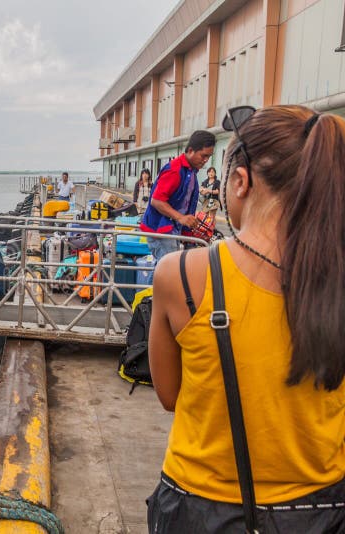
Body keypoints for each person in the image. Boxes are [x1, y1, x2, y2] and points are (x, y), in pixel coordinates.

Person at [147, 105, 345, 532]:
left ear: (240, 182)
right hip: (322, 511)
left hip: (201, 505)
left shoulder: (182, 274)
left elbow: (169, 395)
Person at [140, 130, 215, 272]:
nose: (206, 160)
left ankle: (151, 294)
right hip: (161, 229)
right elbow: (156, 200)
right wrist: (181, 218)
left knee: (165, 268)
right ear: (191, 150)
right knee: (168, 270)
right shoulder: (175, 169)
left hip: (172, 228)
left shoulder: (191, 172)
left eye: (208, 157)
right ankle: (154, 294)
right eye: (203, 155)